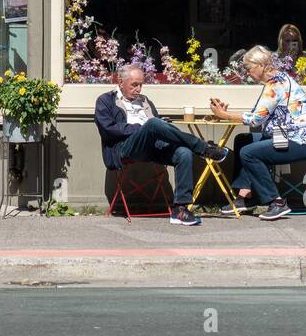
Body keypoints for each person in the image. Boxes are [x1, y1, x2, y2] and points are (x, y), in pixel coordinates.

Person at [94, 65, 230, 227]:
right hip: (125, 148)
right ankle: (204, 148)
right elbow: (108, 129)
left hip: (153, 146)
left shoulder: (145, 101)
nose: (138, 89)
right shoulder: (106, 100)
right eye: (134, 84)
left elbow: (157, 126)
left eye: (141, 84)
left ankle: (180, 209)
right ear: (120, 81)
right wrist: (141, 127)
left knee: (183, 152)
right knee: (152, 124)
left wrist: (158, 126)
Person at [209, 45, 306, 221]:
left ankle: (276, 202)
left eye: (248, 68)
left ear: (261, 65)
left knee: (248, 153)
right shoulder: (276, 81)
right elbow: (259, 114)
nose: (247, 73)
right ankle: (246, 197)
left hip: (302, 141)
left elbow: (255, 120)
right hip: (287, 136)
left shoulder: (276, 84)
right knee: (243, 140)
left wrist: (225, 115)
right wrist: (227, 116)